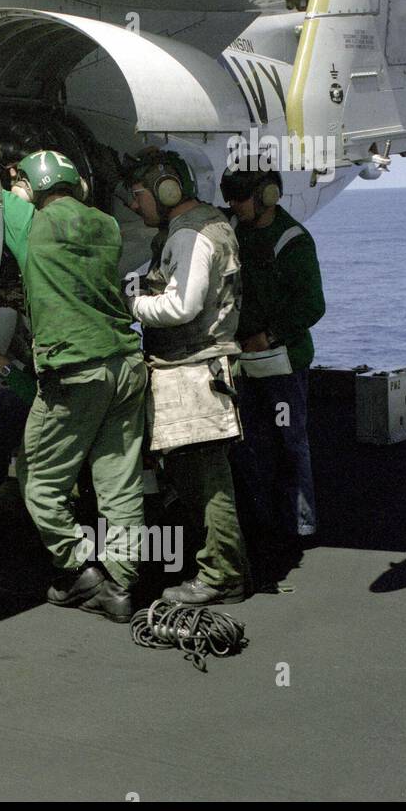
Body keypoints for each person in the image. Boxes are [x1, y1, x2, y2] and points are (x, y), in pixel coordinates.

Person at [0, 149, 148, 623]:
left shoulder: (32, 224)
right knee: (119, 482)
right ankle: (121, 584)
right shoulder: (108, 226)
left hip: (73, 372)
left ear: (34, 189)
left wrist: (11, 184)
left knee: (38, 483)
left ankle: (79, 572)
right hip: (124, 364)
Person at [128, 151, 250, 606]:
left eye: (139, 196)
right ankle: (218, 566)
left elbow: (182, 307)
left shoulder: (191, 236)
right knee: (197, 476)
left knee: (206, 480)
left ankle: (223, 576)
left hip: (194, 370)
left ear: (166, 189)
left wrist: (133, 306)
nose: (135, 206)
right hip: (199, 368)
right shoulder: (211, 223)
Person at [220, 166, 326, 577]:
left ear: (266, 196)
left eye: (240, 198)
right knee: (248, 443)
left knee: (290, 444)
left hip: (281, 360)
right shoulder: (233, 225)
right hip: (245, 358)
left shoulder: (293, 242)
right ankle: (259, 522)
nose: (232, 206)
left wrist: (270, 335)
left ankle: (299, 525)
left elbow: (313, 305)